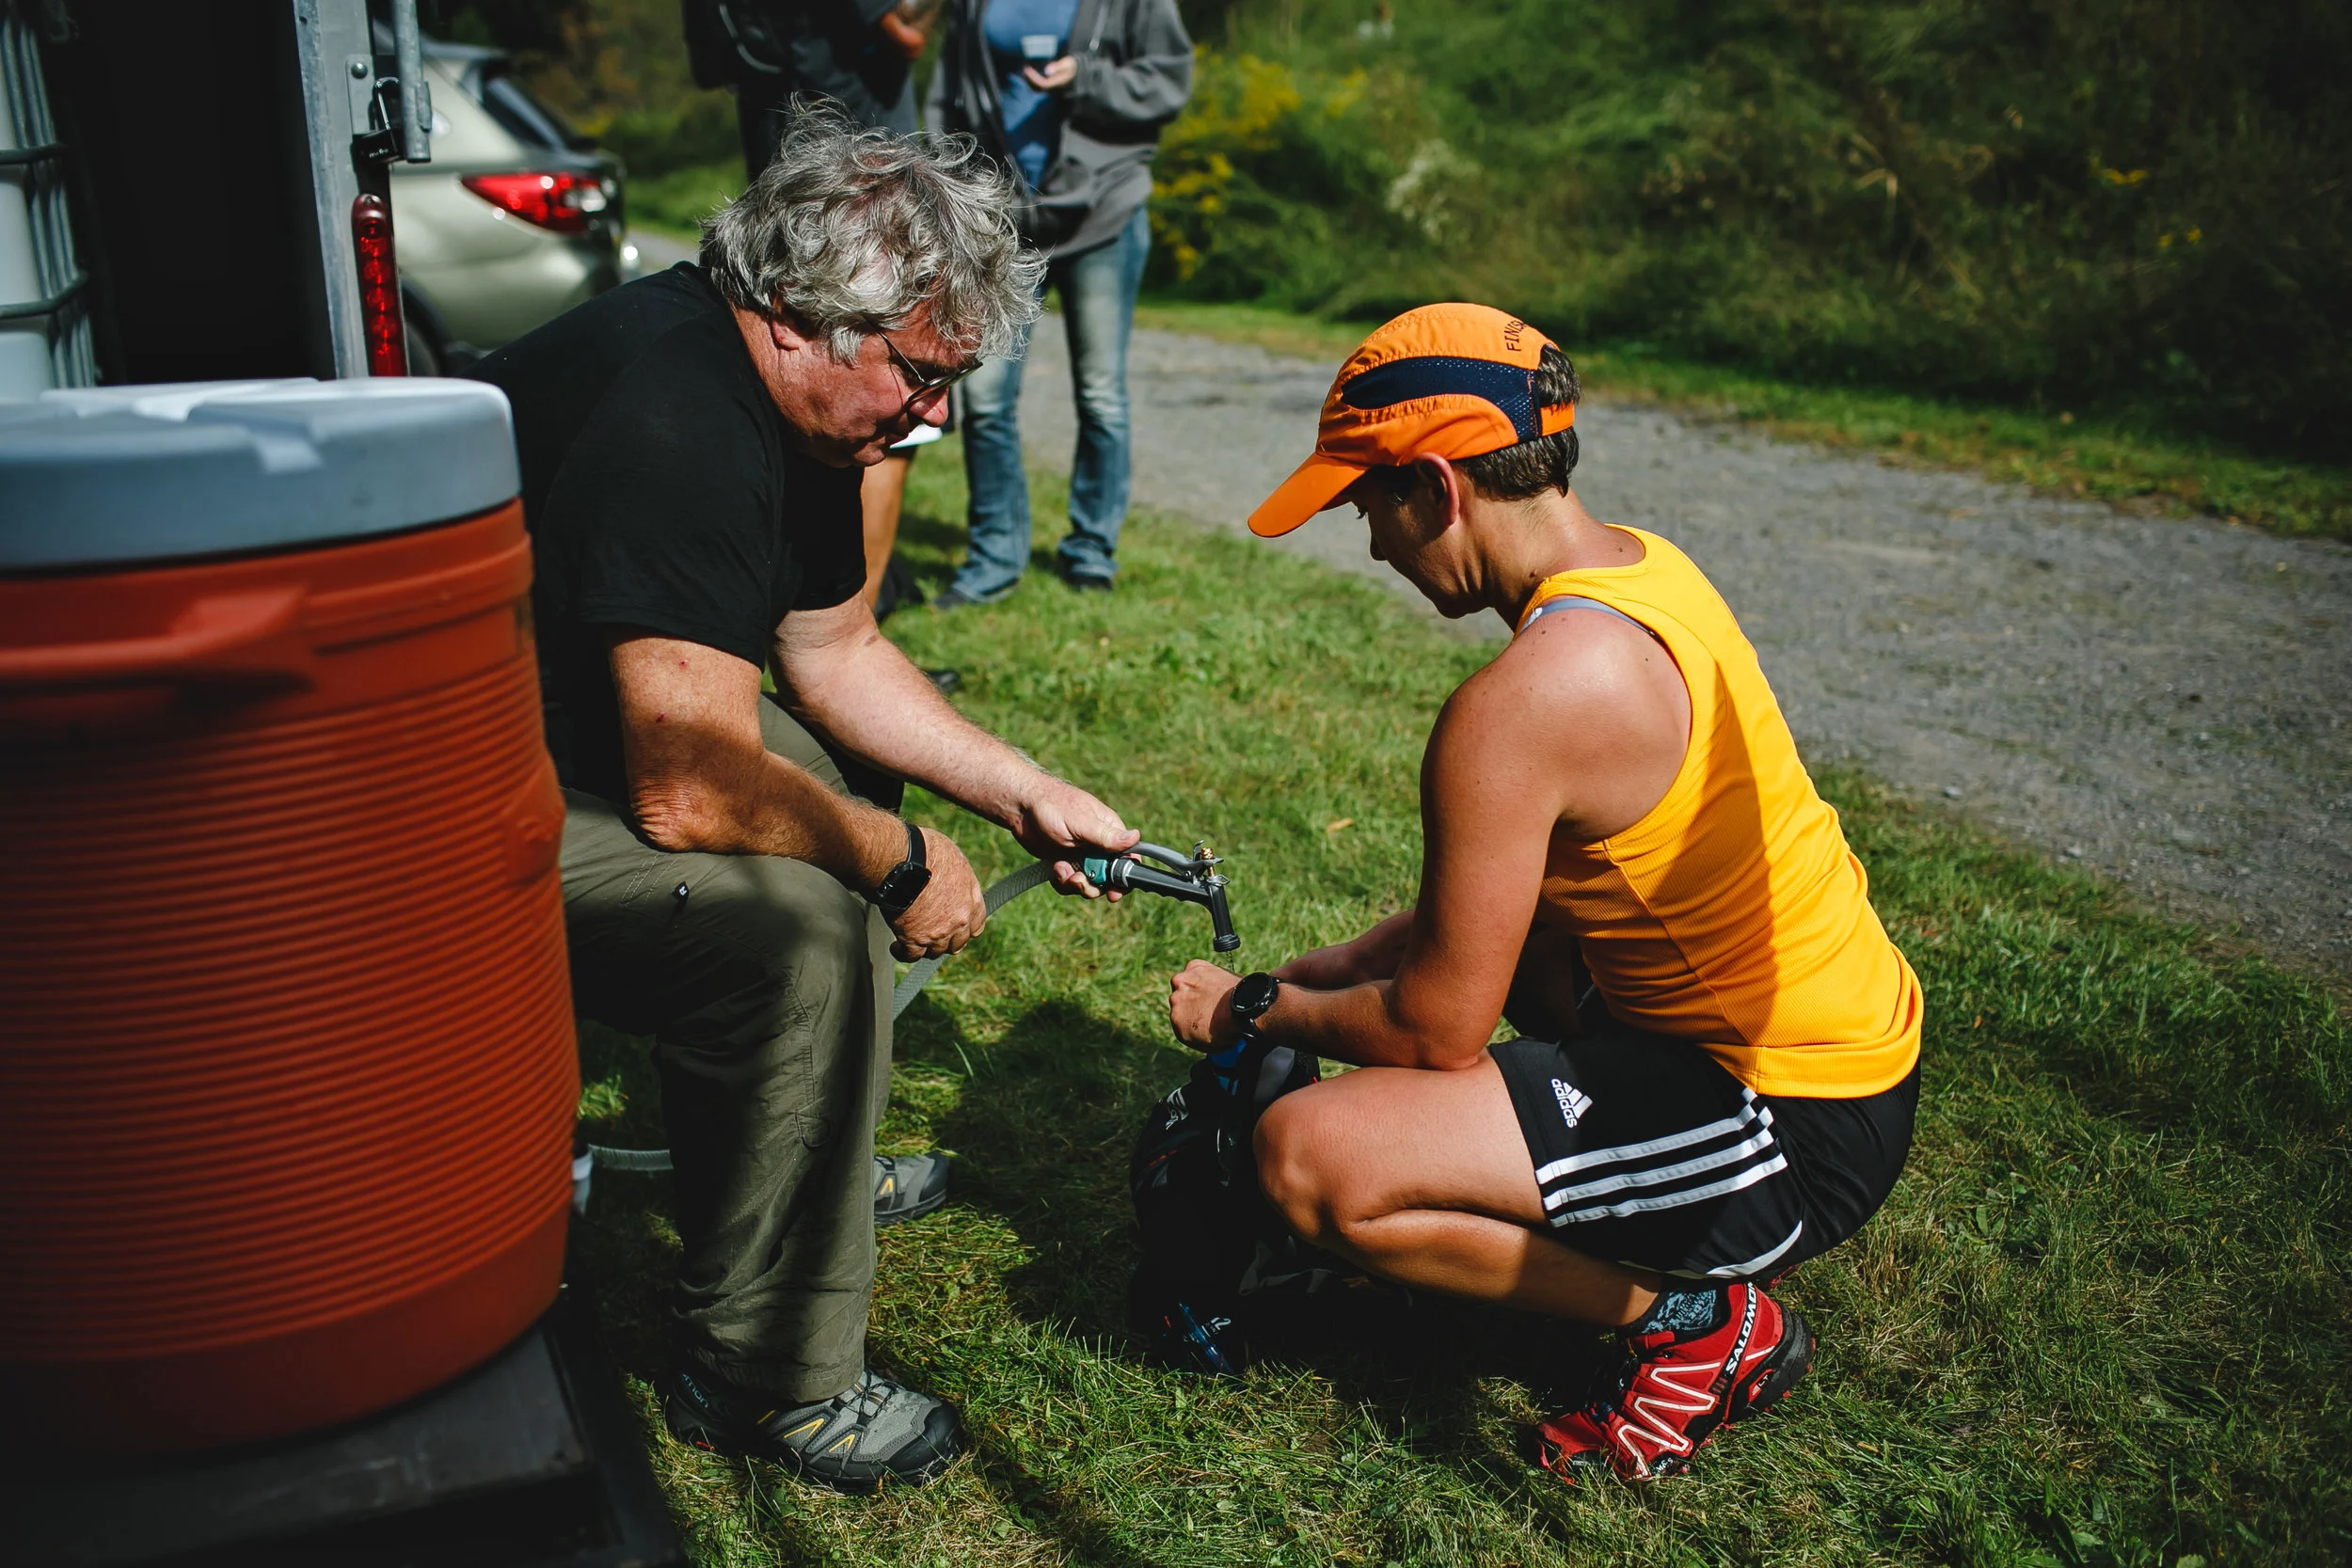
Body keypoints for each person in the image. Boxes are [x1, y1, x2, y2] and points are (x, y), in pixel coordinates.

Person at [469, 113, 1137, 1493]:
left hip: (561, 730)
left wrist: (1020, 789)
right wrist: (899, 858)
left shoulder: (804, 407)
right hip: (444, 805)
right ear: (800, 314)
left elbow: (834, 650)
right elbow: (690, 784)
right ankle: (765, 1370)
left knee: (836, 789)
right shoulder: (677, 415)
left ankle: (806, 1166)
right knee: (800, 928)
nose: (933, 416)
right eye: (924, 373)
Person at [1166, 304, 1923, 1483]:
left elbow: (1433, 1025)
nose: (1371, 546)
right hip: (1834, 1047)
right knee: (1508, 955)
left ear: (1435, 487)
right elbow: (1493, 922)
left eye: (1366, 506)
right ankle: (1592, 1200)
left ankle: (1701, 1327)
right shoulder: (1640, 569)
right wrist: (1323, 973)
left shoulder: (1523, 703)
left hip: (1789, 1120)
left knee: (1310, 1159)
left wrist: (1253, 1007)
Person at [686, 0, 948, 632]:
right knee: (896, 413)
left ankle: (801, 608)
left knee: (801, 417)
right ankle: (852, 622)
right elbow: (907, 33)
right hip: (869, 213)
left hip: (786, 200)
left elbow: (707, 68)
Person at [924, 0, 1193, 605]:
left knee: (1100, 393)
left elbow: (1169, 80)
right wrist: (951, 186)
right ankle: (994, 558)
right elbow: (947, 96)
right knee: (984, 396)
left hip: (1104, 213)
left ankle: (1091, 552)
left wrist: (1088, 77)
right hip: (1001, 220)